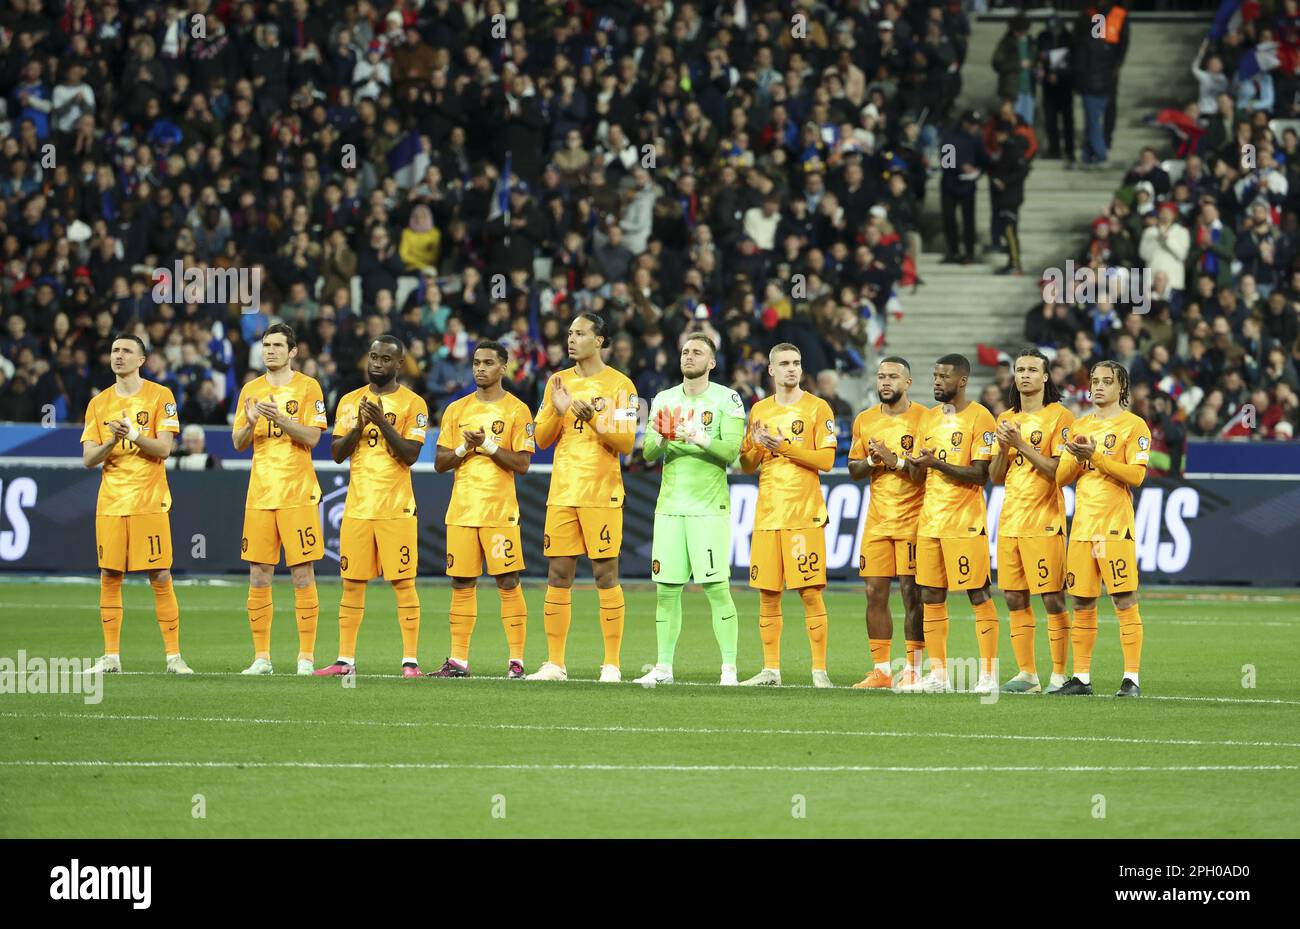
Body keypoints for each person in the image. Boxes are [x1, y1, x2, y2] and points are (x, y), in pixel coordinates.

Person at [527, 313, 638, 683]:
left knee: (605, 574)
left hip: (601, 493)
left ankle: (611, 664)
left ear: (600, 341)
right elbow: (540, 440)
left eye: (580, 333)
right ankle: (555, 663)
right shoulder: (557, 382)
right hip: (562, 492)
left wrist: (593, 420)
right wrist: (559, 412)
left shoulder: (621, 386)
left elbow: (625, 443)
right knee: (558, 574)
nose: (571, 339)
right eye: (570, 332)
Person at [315, 335, 429, 678]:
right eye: (373, 357)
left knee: (403, 583)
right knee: (351, 583)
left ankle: (410, 661)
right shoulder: (350, 401)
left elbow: (410, 455)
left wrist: (381, 422)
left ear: (398, 364)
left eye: (385, 359)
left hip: (396, 509)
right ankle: (344, 660)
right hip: (358, 509)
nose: (377, 364)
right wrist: (360, 426)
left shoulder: (414, 404)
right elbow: (336, 454)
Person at [637, 334, 746, 686]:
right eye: (685, 351)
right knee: (666, 590)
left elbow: (732, 453)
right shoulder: (664, 399)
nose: (689, 356)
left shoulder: (728, 399)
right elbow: (648, 453)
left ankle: (729, 668)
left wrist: (699, 438)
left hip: (708, 509)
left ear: (711, 363)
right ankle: (663, 668)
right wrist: (669, 438)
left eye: (697, 352)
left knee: (716, 588)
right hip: (669, 508)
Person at [80, 333, 192, 675]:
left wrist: (133, 436)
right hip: (111, 502)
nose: (119, 356)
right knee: (110, 574)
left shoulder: (160, 396)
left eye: (127, 351)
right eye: (115, 350)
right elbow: (88, 459)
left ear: (141, 360)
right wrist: (113, 440)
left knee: (159, 573)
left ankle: (174, 657)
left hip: (149, 501)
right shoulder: (99, 404)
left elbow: (163, 449)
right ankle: (110, 656)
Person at [431, 341, 535, 679]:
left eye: (488, 363)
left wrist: (489, 446)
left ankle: (516, 661)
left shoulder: (517, 410)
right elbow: (440, 463)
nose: (480, 368)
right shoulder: (455, 410)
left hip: (499, 512)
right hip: (462, 511)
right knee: (461, 582)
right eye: (476, 362)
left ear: (503, 367)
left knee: (507, 580)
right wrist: (465, 446)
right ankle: (458, 661)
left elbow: (522, 464)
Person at [899, 353, 1001, 694]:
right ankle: (939, 676)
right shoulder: (926, 419)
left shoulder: (980, 418)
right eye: (935, 376)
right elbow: (917, 473)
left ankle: (988, 674)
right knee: (930, 594)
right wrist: (908, 462)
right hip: (930, 522)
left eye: (944, 376)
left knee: (977, 593)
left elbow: (980, 474)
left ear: (962, 381)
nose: (937, 382)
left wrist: (936, 464)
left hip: (965, 522)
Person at [738, 343, 838, 687]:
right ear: (771, 371)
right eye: (784, 363)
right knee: (768, 593)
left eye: (796, 362)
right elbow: (747, 465)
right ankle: (771, 670)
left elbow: (825, 461)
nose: (791, 369)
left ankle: (819, 671)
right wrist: (755, 444)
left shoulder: (817, 407)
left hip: (803, 515)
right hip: (768, 515)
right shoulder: (759, 410)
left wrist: (783, 447)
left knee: (810, 592)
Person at [230, 323, 328, 676]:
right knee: (258, 574)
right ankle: (262, 658)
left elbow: (315, 437)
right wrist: (252, 421)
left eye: (277, 345)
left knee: (302, 574)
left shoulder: (308, 387)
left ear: (292, 351)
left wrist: (283, 420)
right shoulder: (250, 390)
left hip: (297, 494)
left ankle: (305, 657)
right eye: (266, 345)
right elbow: (238, 442)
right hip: (259, 495)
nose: (269, 351)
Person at [1053, 361, 1149, 697]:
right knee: (1081, 601)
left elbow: (1136, 476)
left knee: (1123, 598)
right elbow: (1061, 477)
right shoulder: (1079, 425)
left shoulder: (1134, 426)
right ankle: (1081, 678)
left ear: (1122, 388)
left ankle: (1131, 679)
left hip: (1114, 527)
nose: (1098, 387)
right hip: (1081, 528)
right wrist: (1079, 456)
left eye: (1106, 382)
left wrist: (1096, 456)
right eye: (1094, 381)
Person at [989, 349, 1075, 694]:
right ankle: (1027, 674)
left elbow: (1059, 471)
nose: (1024, 375)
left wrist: (1020, 443)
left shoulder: (1061, 417)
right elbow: (995, 477)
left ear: (1045, 377)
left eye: (1031, 370)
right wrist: (1002, 447)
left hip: (1045, 520)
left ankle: (1058, 674)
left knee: (1052, 598)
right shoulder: (1006, 417)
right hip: (1010, 521)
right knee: (1013, 597)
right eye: (1019, 370)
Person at [845, 356, 927, 689]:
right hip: (877, 521)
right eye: (881, 376)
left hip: (914, 520)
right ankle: (881, 670)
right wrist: (871, 460)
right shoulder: (865, 420)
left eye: (893, 376)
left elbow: (925, 472)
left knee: (912, 594)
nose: (885, 382)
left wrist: (896, 461)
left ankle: (913, 669)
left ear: (908, 382)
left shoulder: (925, 419)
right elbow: (852, 469)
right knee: (873, 592)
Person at [939, 110, 986, 264]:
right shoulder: (950, 136)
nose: (974, 128)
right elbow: (946, 162)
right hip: (950, 184)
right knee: (949, 219)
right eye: (972, 124)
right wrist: (961, 167)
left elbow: (982, 160)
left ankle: (969, 254)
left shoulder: (977, 139)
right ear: (964, 123)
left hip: (967, 186)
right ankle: (953, 251)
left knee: (969, 221)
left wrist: (977, 171)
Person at [988, 119, 1030, 275]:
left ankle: (1015, 264)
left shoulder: (1013, 150)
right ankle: (1012, 262)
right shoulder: (1001, 150)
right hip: (1002, 197)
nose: (997, 136)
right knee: (1006, 230)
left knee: (1010, 230)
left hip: (1010, 197)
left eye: (999, 133)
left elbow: (1022, 170)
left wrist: (1005, 182)